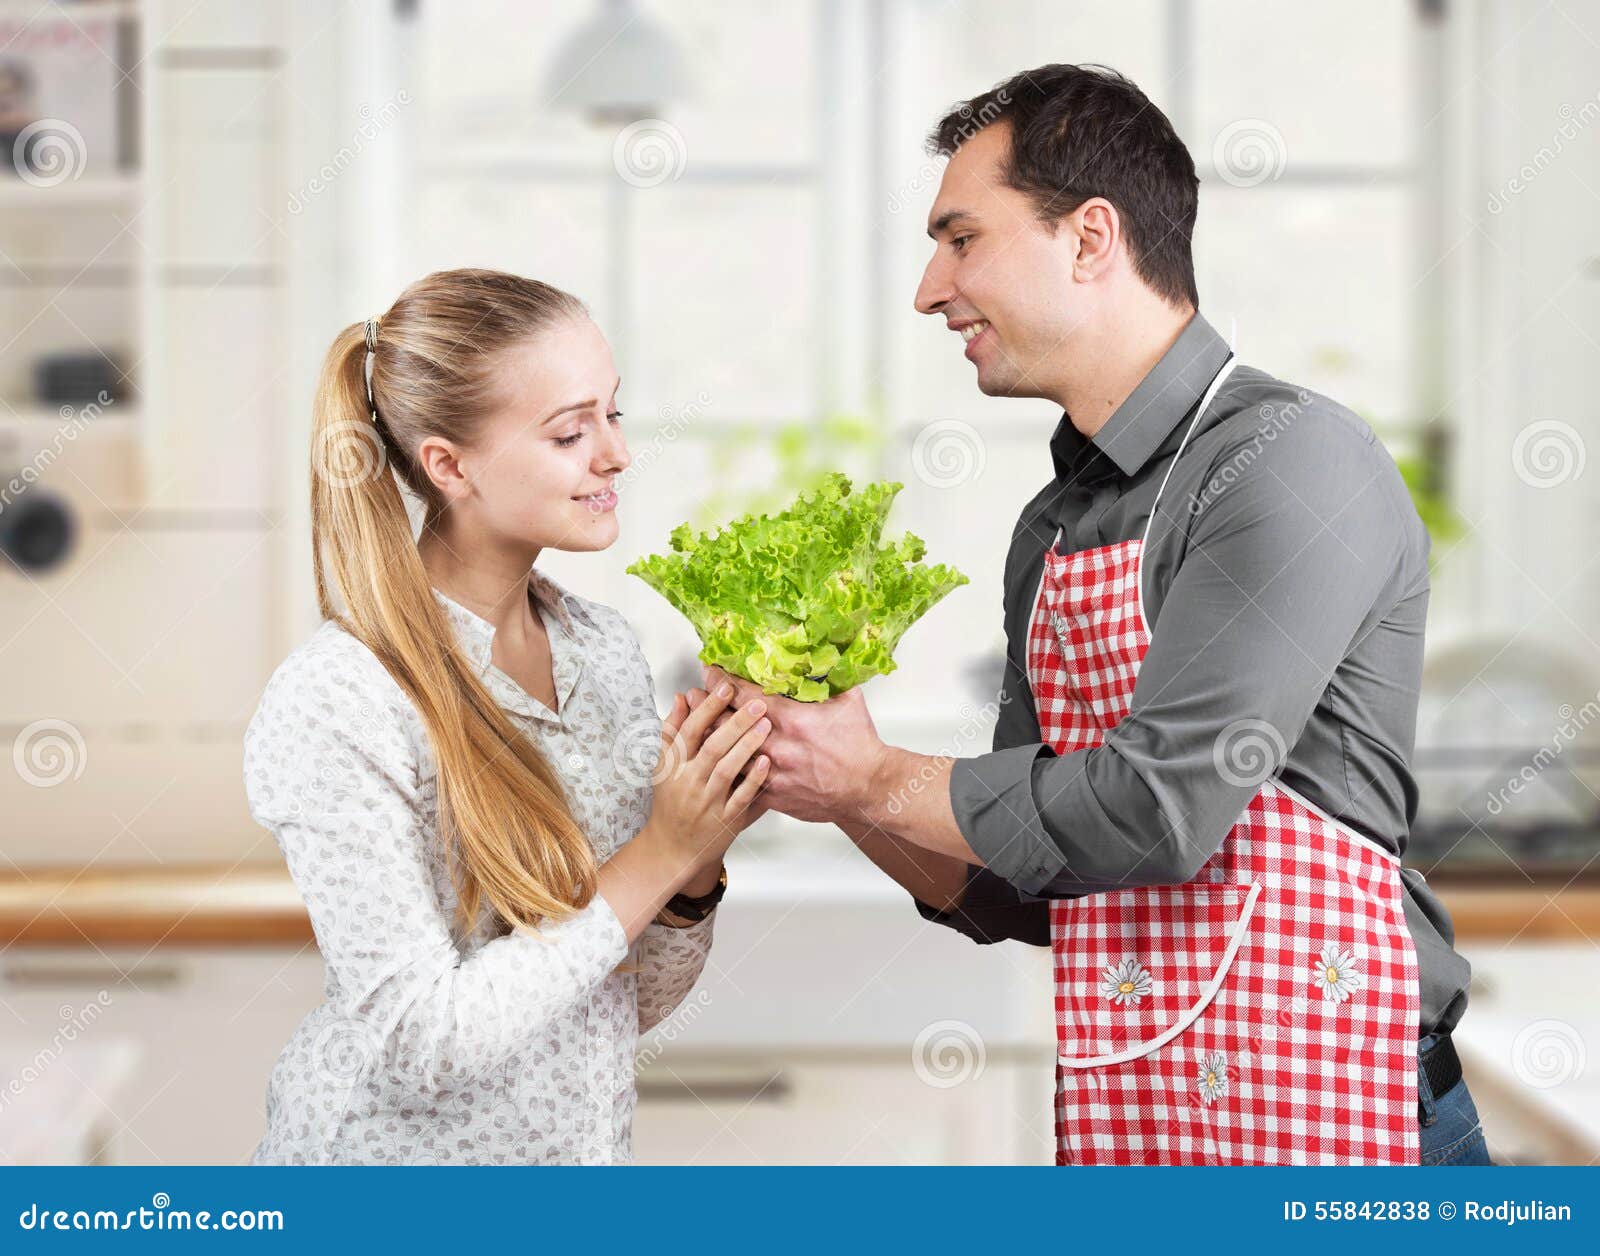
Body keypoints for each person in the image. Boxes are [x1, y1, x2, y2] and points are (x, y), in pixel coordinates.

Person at [704, 64, 1488, 1166]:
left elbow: (1160, 808)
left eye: (961, 238)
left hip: (1347, 1121)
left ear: (1089, 237)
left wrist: (876, 774)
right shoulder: (1057, 523)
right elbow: (1033, 882)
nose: (931, 289)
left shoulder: (1292, 462)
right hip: (1144, 1121)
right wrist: (828, 782)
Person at [243, 269, 772, 1164]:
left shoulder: (602, 651)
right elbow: (421, 1044)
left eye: (614, 413)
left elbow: (622, 1005)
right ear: (450, 466)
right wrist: (661, 852)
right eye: (570, 431)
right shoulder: (341, 695)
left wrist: (697, 857)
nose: (614, 454)